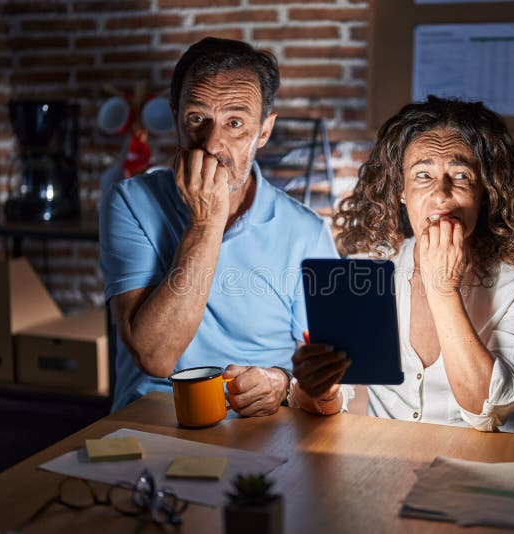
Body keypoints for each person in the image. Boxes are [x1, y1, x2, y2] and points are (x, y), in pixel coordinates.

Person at [290, 96, 514, 432]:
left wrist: (442, 288)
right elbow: (328, 401)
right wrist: (320, 387)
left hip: (493, 469)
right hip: (391, 465)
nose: (441, 194)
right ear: (401, 190)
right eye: (423, 175)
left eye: (460, 175)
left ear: (485, 190)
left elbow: (489, 409)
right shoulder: (366, 268)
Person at [100, 37, 337, 414]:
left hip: (258, 427)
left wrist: (283, 384)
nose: (212, 144)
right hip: (153, 423)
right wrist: (207, 220)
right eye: (197, 119)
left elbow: (337, 378)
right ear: (176, 116)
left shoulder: (306, 232)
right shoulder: (129, 201)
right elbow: (155, 357)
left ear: (264, 131)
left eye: (236, 123)